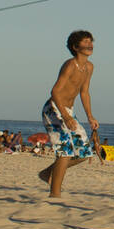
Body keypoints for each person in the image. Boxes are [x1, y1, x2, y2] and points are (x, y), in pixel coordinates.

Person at [37, 30, 100, 198]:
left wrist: (90, 116)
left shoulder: (89, 67)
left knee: (84, 153)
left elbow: (84, 93)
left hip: (69, 111)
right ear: (75, 47)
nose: (89, 45)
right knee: (65, 152)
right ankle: (55, 195)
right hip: (54, 110)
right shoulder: (70, 65)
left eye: (90, 42)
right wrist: (65, 116)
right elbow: (55, 91)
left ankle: (47, 173)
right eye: (85, 42)